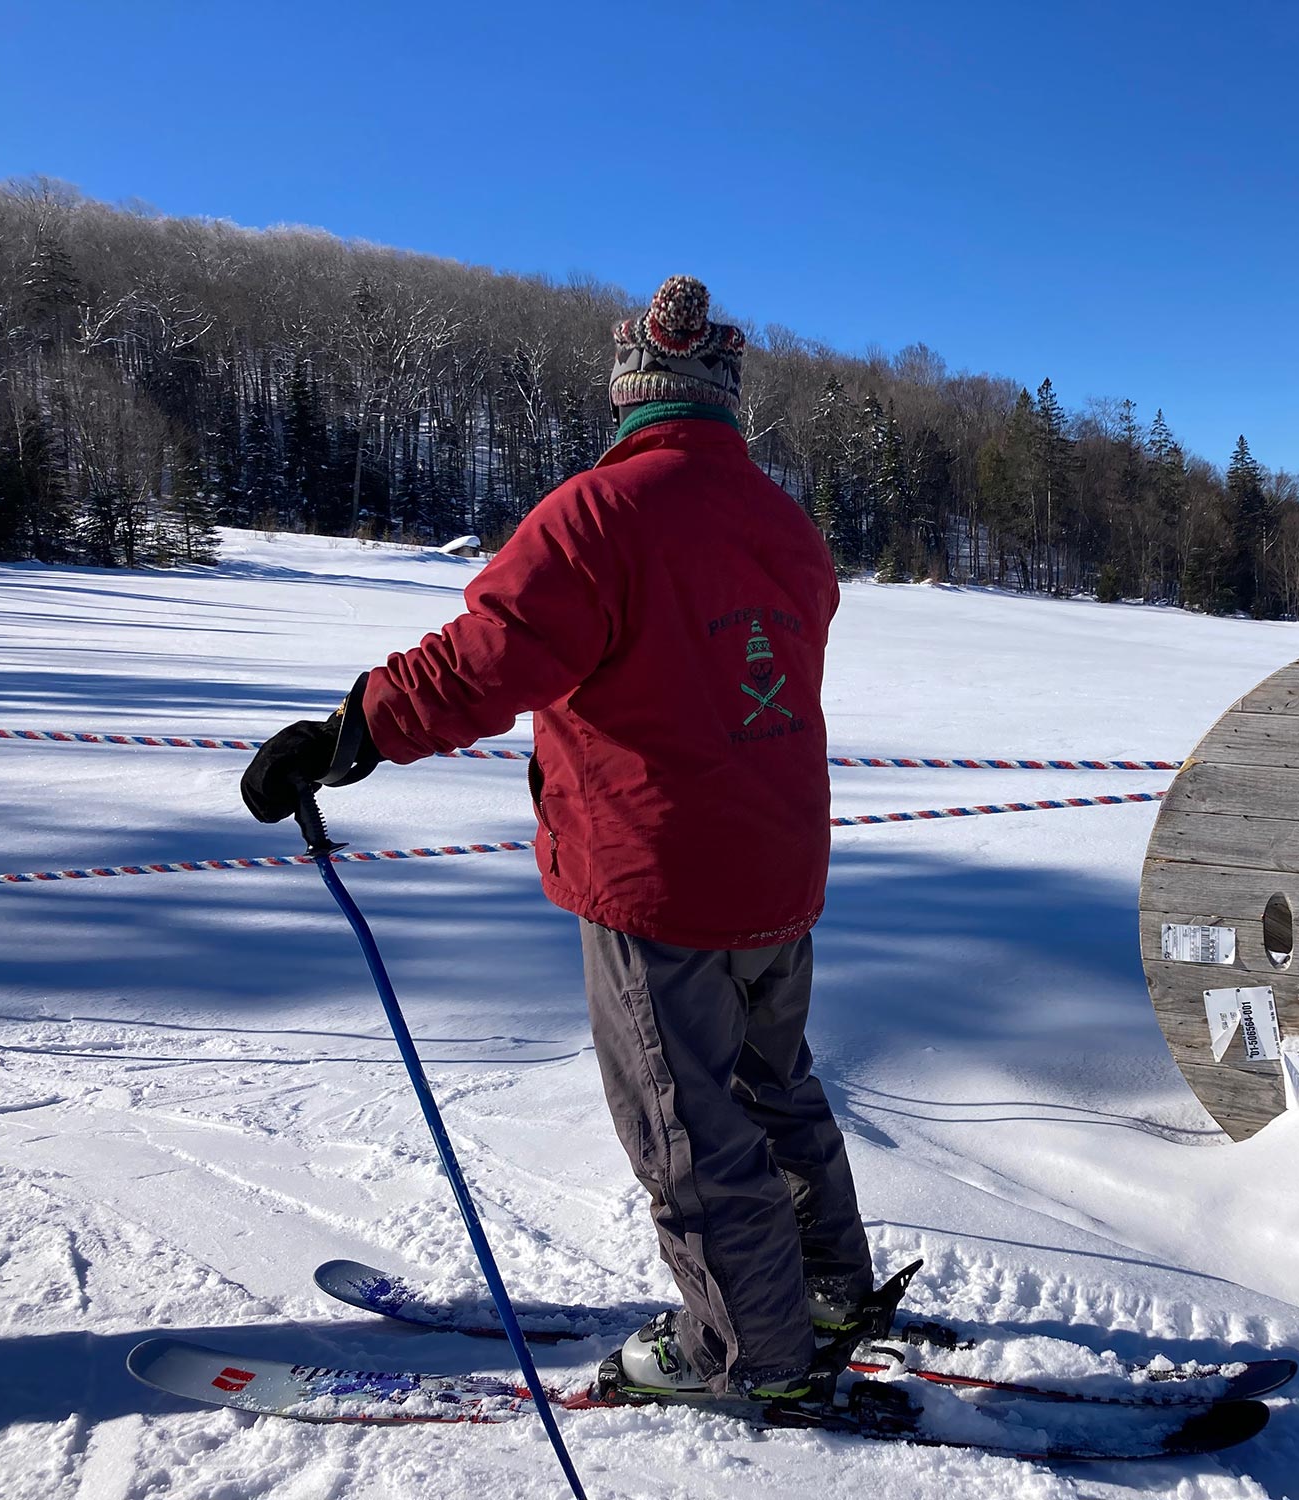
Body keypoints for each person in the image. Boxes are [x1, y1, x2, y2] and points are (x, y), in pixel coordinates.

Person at [240, 275, 872, 1403]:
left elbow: (490, 658)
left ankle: (751, 1353)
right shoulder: (784, 524)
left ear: (631, 394)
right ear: (723, 398)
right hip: (778, 872)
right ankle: (825, 1286)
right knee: (774, 1088)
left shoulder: (599, 514)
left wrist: (351, 733)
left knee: (685, 1126)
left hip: (657, 877)